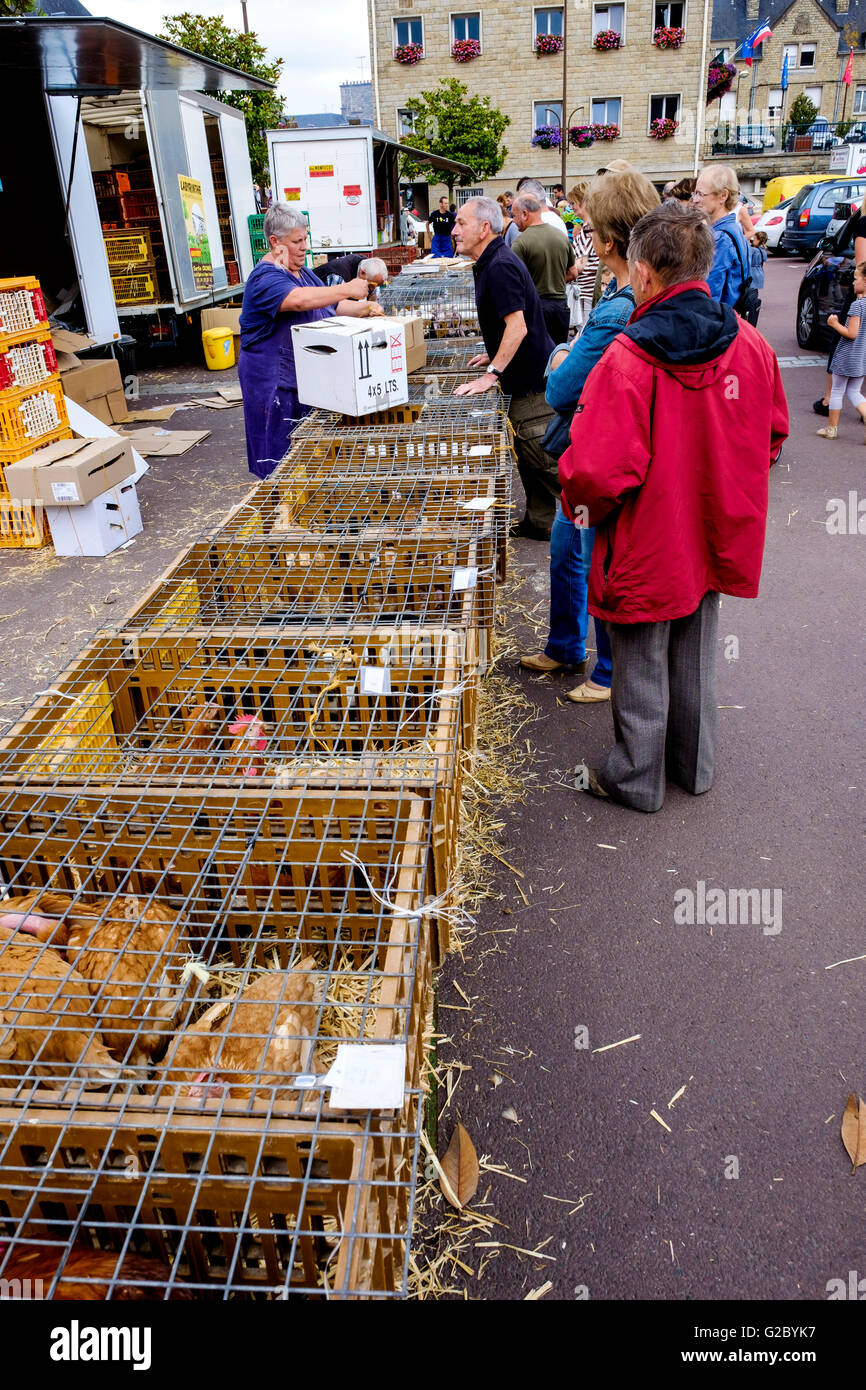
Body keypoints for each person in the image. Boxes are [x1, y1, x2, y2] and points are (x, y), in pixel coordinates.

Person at [559, 203, 789, 811]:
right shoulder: (750, 344)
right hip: (713, 528)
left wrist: (579, 512)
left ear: (643, 273)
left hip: (645, 535)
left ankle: (635, 779)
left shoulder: (628, 359)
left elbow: (594, 473)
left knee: (639, 664)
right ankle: (694, 766)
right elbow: (771, 435)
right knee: (694, 651)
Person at [520, 172, 661, 703]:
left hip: (601, 450)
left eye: (592, 227)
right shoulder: (624, 293)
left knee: (598, 557)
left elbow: (560, 387)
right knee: (568, 548)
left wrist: (560, 355)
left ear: (607, 240)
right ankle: (565, 646)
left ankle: (606, 672)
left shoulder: (619, 306)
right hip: (591, 446)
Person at [237, 204, 383, 479]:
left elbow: (331, 305)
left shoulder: (301, 271)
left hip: (299, 375)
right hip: (272, 381)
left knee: (303, 451)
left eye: (305, 239)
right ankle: (278, 508)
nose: (304, 246)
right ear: (275, 242)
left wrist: (365, 309)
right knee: (278, 456)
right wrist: (347, 287)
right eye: (296, 241)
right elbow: (299, 300)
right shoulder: (265, 277)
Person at [451, 196, 556, 538]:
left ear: (484, 228)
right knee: (527, 456)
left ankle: (603, 523)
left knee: (542, 456)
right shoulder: (489, 261)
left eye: (461, 223)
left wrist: (490, 374)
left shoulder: (498, 265)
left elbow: (518, 326)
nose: (454, 231)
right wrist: (493, 354)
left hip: (532, 385)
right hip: (524, 377)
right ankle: (541, 523)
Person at [815, 198, 866, 416]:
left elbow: (863, 266)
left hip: (862, 295)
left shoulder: (863, 223)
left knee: (843, 339)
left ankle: (829, 400)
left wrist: (860, 295)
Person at [510, 189, 577, 343]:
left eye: (515, 215)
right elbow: (573, 273)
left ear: (525, 214)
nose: (513, 220)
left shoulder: (521, 243)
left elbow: (514, 282)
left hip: (536, 307)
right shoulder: (561, 236)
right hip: (561, 306)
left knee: (537, 359)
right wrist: (555, 280)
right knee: (558, 354)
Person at [816, 260, 866, 440]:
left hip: (847, 355)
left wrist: (834, 324)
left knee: (837, 390)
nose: (853, 283)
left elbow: (851, 333)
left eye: (856, 279)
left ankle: (832, 428)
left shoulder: (857, 306)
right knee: (854, 392)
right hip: (862, 356)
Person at [692, 165, 749, 308]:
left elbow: (709, 294)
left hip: (718, 319)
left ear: (723, 196)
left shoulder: (720, 238)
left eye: (701, 194)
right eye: (695, 193)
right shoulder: (733, 228)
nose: (695, 200)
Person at [569, 181, 599, 324]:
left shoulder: (589, 229)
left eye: (573, 203)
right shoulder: (589, 227)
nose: (572, 207)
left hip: (586, 294)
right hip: (586, 293)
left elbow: (581, 264)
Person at [314, 254, 388, 296]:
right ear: (362, 273)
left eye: (376, 286)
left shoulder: (367, 266)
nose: (372, 289)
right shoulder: (339, 275)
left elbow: (374, 297)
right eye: (371, 285)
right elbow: (335, 306)